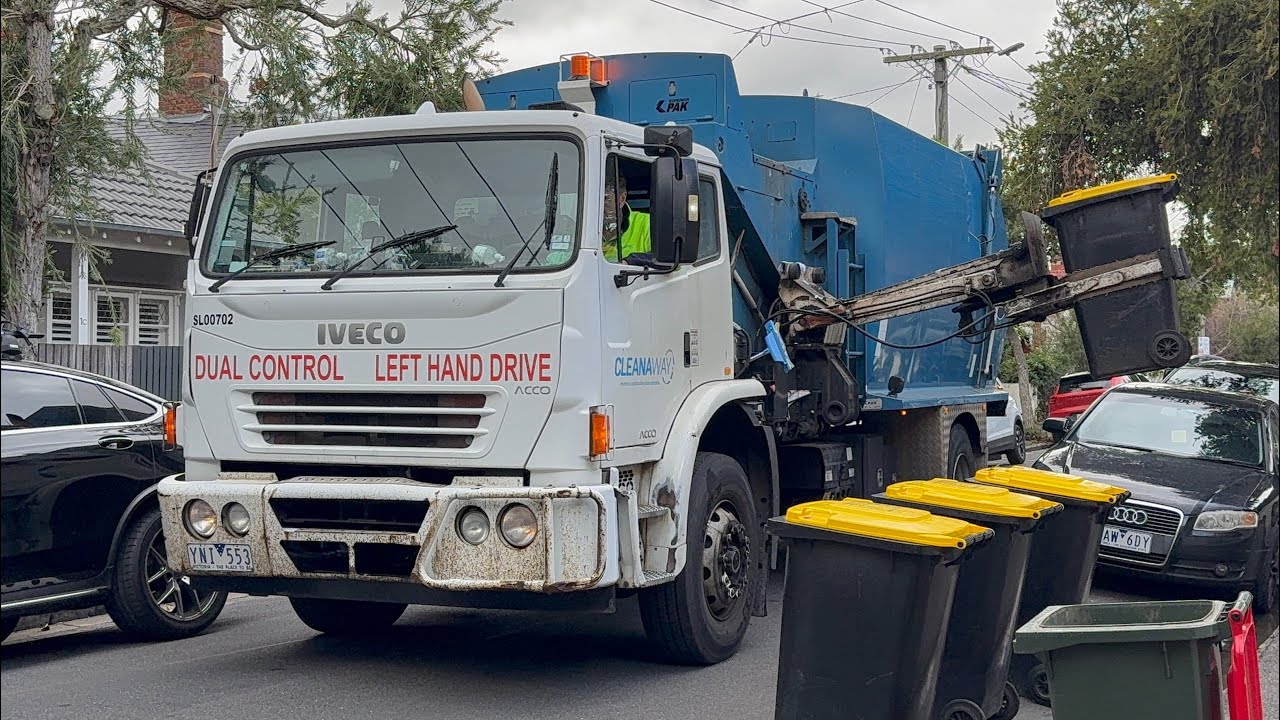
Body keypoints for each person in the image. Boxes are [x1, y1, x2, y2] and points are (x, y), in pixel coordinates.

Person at [602, 169, 650, 261]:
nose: (597, 205)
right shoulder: (579, 230)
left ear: (622, 199)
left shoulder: (647, 225)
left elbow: (665, 259)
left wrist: (629, 262)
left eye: (605, 199)